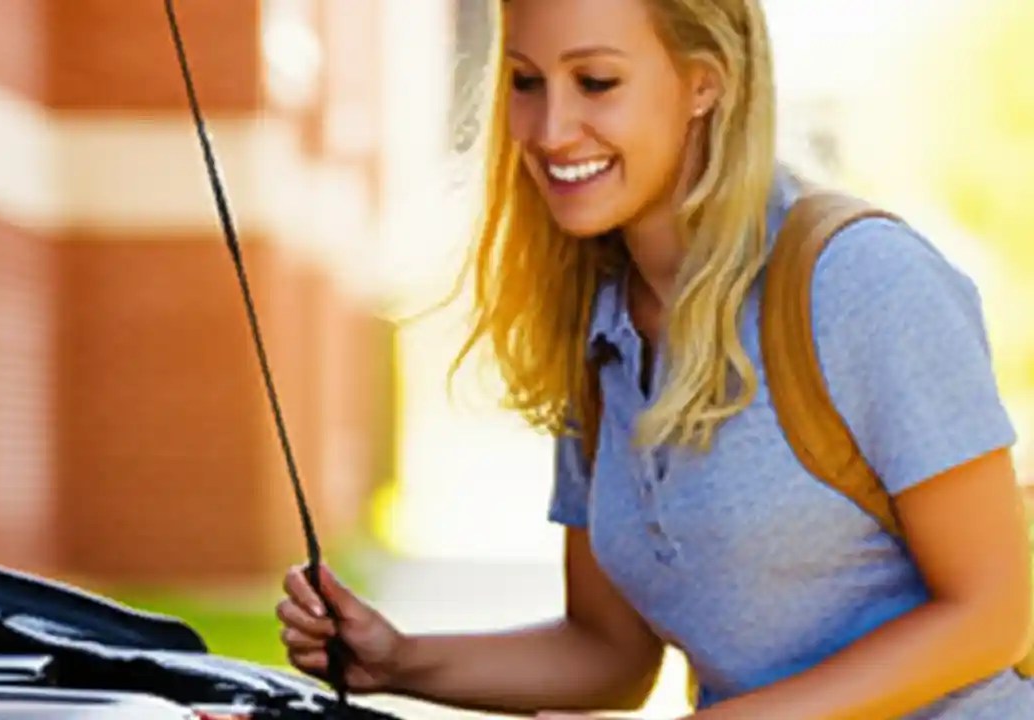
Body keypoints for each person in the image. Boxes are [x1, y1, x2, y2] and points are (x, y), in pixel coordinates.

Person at [275, 0, 1034, 717]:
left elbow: (994, 613)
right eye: (525, 83)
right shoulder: (601, 328)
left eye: (596, 82)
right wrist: (398, 659)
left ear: (705, 82)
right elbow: (611, 652)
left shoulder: (860, 279)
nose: (550, 129)